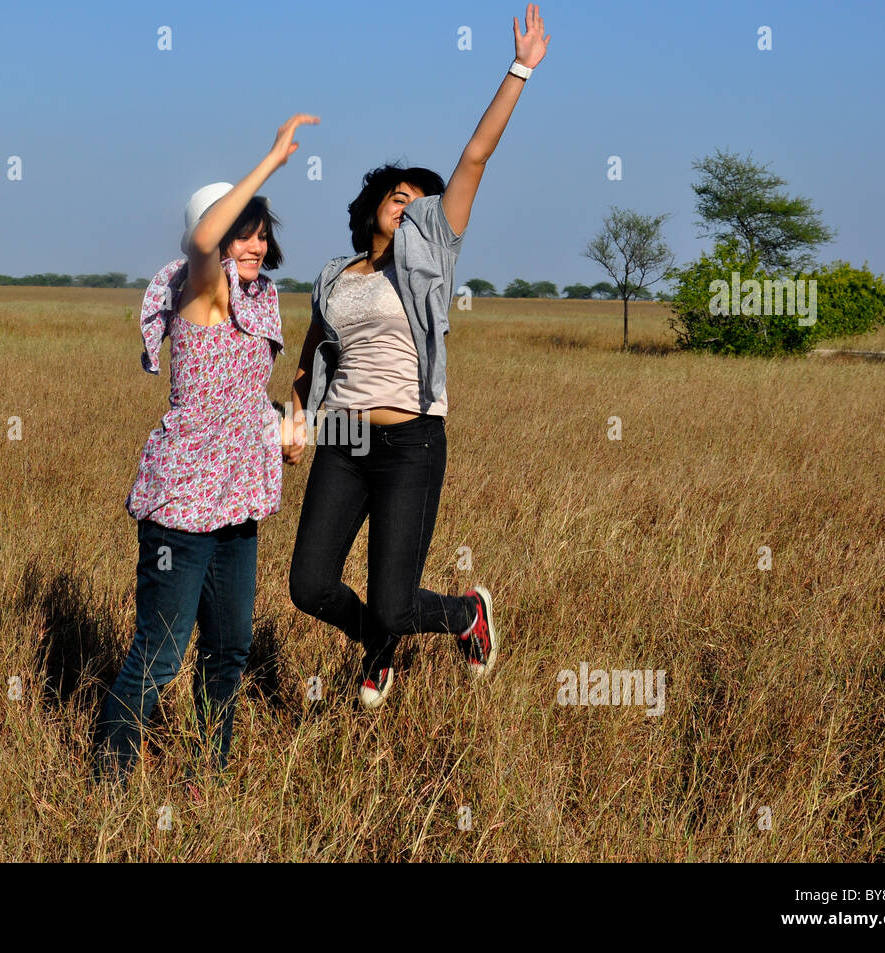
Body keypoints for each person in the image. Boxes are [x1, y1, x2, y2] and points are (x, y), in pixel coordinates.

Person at [286, 5, 550, 708]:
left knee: (398, 601)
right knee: (308, 585)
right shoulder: (334, 275)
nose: (404, 204)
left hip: (410, 439)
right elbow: (314, 355)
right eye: (394, 195)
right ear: (372, 202)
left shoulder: (431, 253)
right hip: (342, 438)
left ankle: (465, 614)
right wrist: (294, 415)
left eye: (415, 201)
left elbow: (473, 156)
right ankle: (378, 646)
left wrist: (520, 68)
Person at [96, 114, 319, 782]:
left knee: (229, 651)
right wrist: (274, 159)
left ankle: (210, 774)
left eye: (260, 233)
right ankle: (111, 780)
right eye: (242, 232)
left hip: (239, 500)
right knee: (161, 656)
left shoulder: (261, 300)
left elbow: (249, 394)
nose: (254, 244)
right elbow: (202, 237)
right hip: (184, 505)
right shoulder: (201, 292)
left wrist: (287, 421)